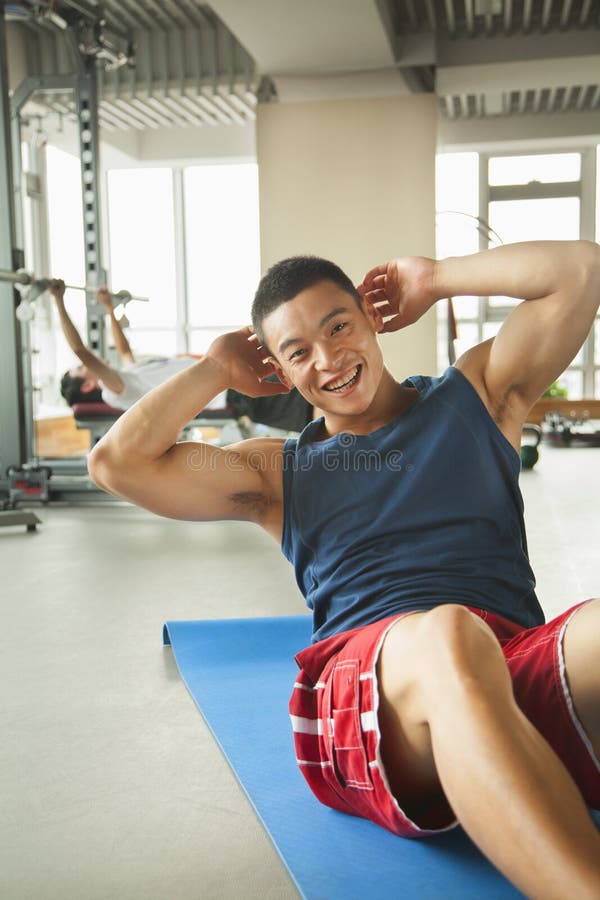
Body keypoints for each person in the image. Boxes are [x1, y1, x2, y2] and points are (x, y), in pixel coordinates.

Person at [88, 241, 600, 898]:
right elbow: (117, 465)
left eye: (339, 326)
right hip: (368, 706)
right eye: (298, 351)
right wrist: (215, 369)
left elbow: (581, 272)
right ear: (279, 370)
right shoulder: (275, 473)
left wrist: (438, 279)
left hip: (507, 665)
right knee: (449, 634)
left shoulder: (479, 398)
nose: (328, 359)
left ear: (372, 318)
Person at [49, 279, 313, 429]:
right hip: (230, 389)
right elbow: (80, 350)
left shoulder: (128, 375)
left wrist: (109, 309)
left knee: (308, 384)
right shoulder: (114, 390)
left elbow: (124, 350)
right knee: (309, 399)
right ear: (87, 385)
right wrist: (58, 300)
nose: (84, 364)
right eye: (81, 369)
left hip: (231, 377)